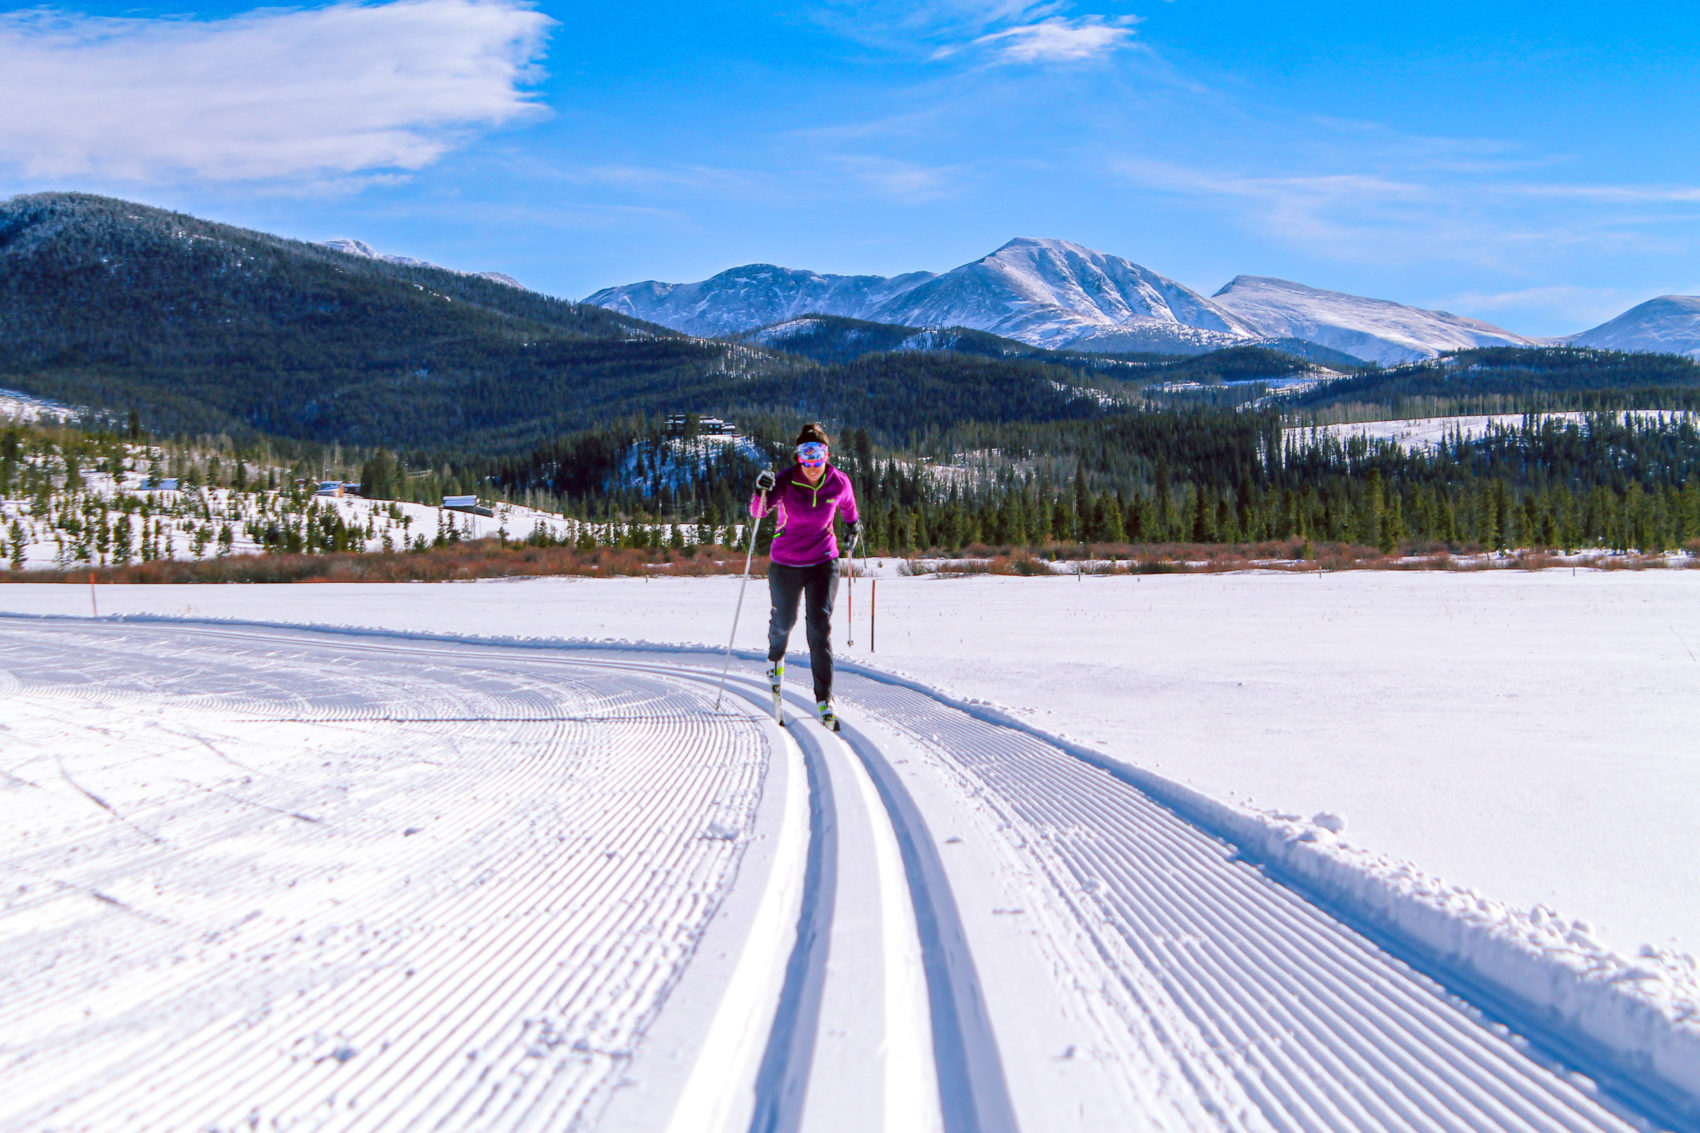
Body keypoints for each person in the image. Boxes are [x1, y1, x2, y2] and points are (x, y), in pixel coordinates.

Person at [751, 423, 862, 730]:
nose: (812, 464)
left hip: (823, 562)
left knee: (819, 627)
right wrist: (760, 489)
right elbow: (759, 512)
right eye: (806, 455)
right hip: (785, 563)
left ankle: (825, 697)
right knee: (784, 621)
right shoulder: (785, 481)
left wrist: (853, 526)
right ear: (798, 457)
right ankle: (775, 659)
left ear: (827, 455)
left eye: (818, 455)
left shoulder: (838, 482)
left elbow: (849, 507)